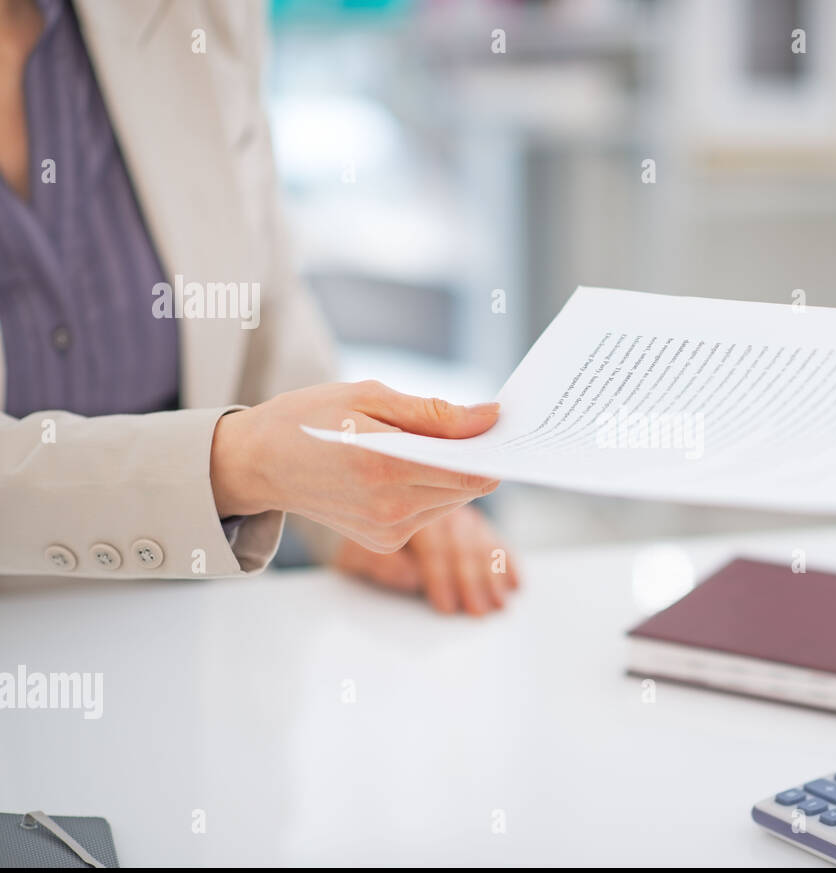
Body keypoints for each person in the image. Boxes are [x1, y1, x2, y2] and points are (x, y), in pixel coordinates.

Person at [0, 0, 519, 615]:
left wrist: (359, 504)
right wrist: (235, 463)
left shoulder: (200, 14)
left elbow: (259, 301)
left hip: (200, 633)